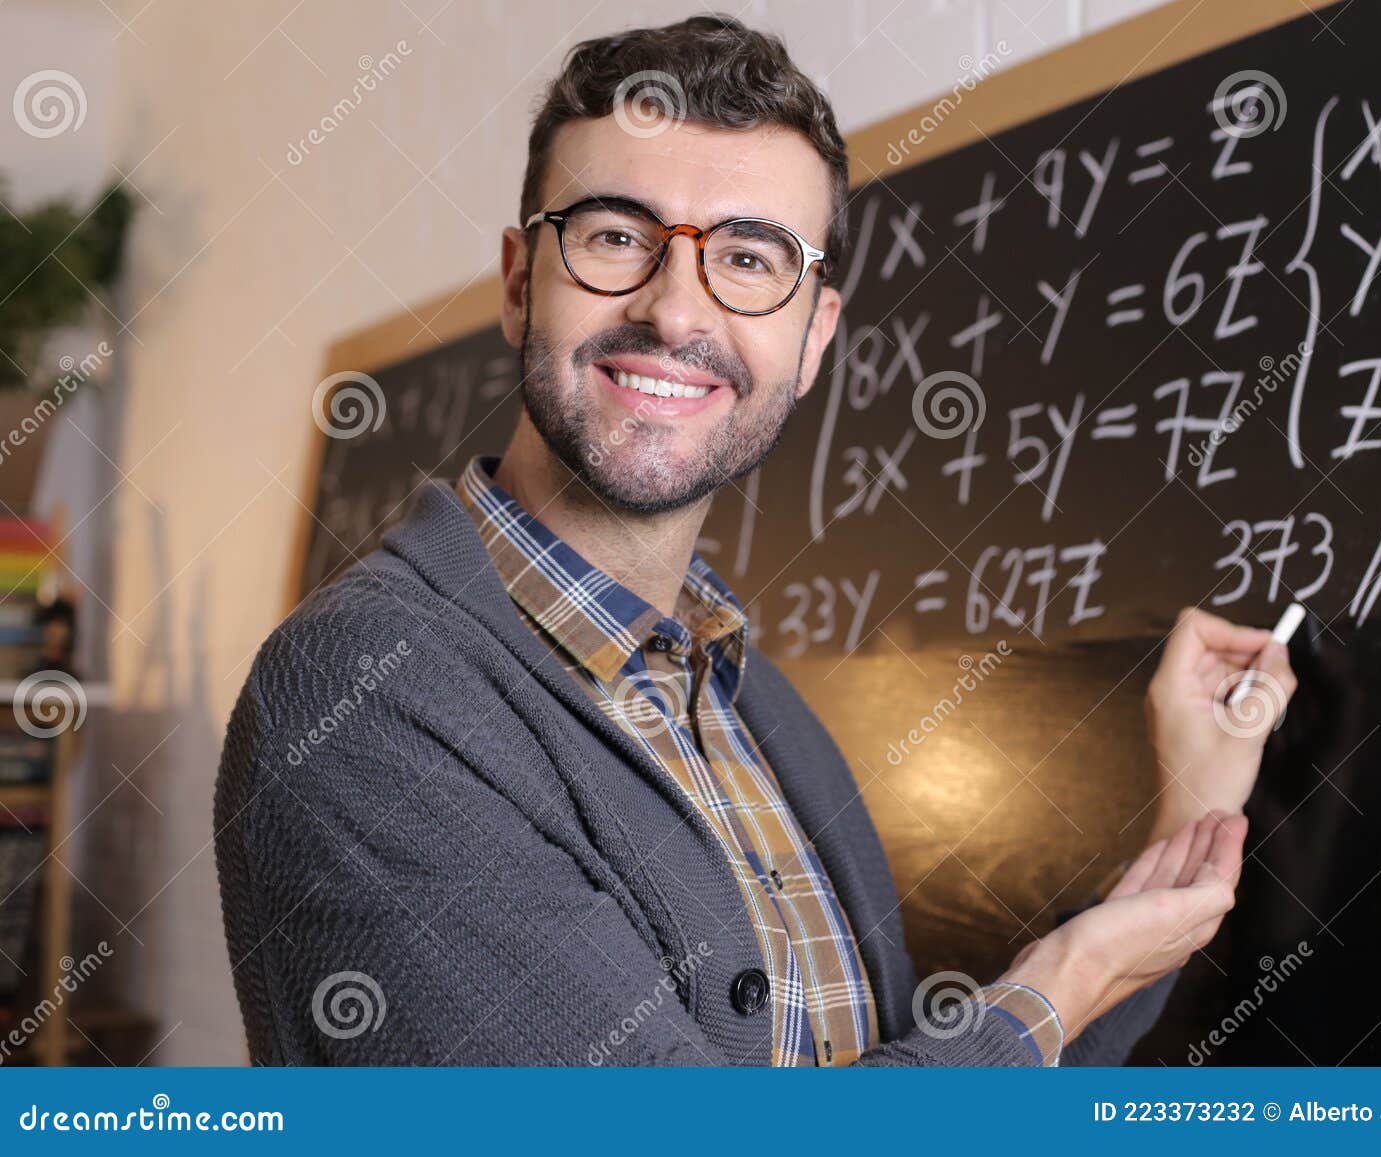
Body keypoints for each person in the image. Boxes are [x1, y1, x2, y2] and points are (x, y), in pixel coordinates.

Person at [214, 14, 1297, 1066]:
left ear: (814, 335)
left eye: (749, 257)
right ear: (516, 283)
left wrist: (1188, 818)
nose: (677, 310)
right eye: (615, 236)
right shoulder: (363, 693)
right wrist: (1053, 990)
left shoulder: (750, 701)